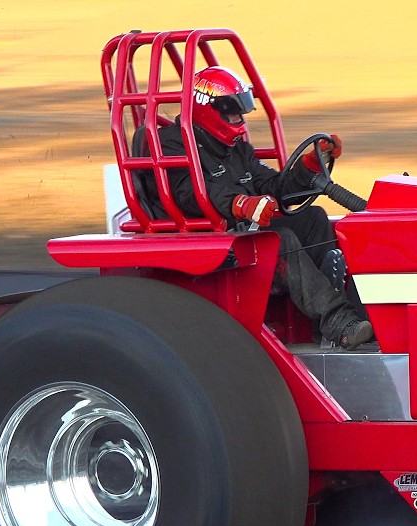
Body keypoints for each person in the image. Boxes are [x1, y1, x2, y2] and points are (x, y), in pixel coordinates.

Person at [147, 65, 373, 348]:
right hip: (200, 235)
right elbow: (188, 193)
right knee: (280, 240)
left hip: (235, 227)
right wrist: (239, 204)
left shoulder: (234, 148)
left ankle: (335, 322)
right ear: (207, 107)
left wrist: (308, 167)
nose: (238, 119)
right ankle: (339, 322)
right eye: (231, 112)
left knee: (314, 219)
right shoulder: (170, 145)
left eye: (240, 112)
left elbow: (273, 188)